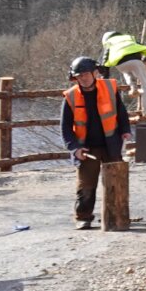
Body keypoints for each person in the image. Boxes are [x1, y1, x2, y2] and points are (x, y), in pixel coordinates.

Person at [62, 56, 132, 229]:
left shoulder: (109, 88)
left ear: (95, 73)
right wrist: (75, 148)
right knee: (86, 186)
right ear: (74, 77)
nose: (83, 78)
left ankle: (115, 216)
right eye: (79, 76)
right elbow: (65, 128)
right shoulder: (70, 97)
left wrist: (125, 130)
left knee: (116, 182)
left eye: (86, 74)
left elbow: (121, 112)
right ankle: (83, 218)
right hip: (86, 148)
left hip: (111, 144)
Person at [100, 30, 146, 116]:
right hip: (135, 61)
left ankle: (133, 86)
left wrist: (105, 76)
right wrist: (145, 59)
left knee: (126, 71)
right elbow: (142, 47)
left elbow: (105, 57)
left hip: (120, 64)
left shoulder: (109, 42)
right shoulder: (128, 38)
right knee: (145, 85)